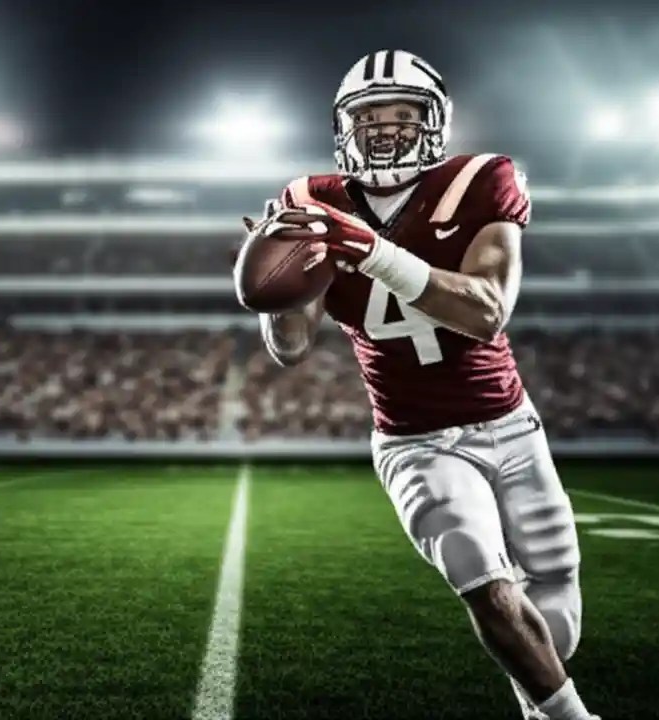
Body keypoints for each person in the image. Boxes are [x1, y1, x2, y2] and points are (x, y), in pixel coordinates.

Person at [235, 49, 597, 720]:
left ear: (435, 121)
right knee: (484, 583)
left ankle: (537, 692)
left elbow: (487, 312)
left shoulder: (481, 179)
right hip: (414, 439)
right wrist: (274, 292)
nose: (385, 128)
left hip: (510, 423)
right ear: (344, 126)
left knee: (556, 613)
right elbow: (292, 348)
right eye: (369, 116)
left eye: (403, 114)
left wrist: (371, 251)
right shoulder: (310, 200)